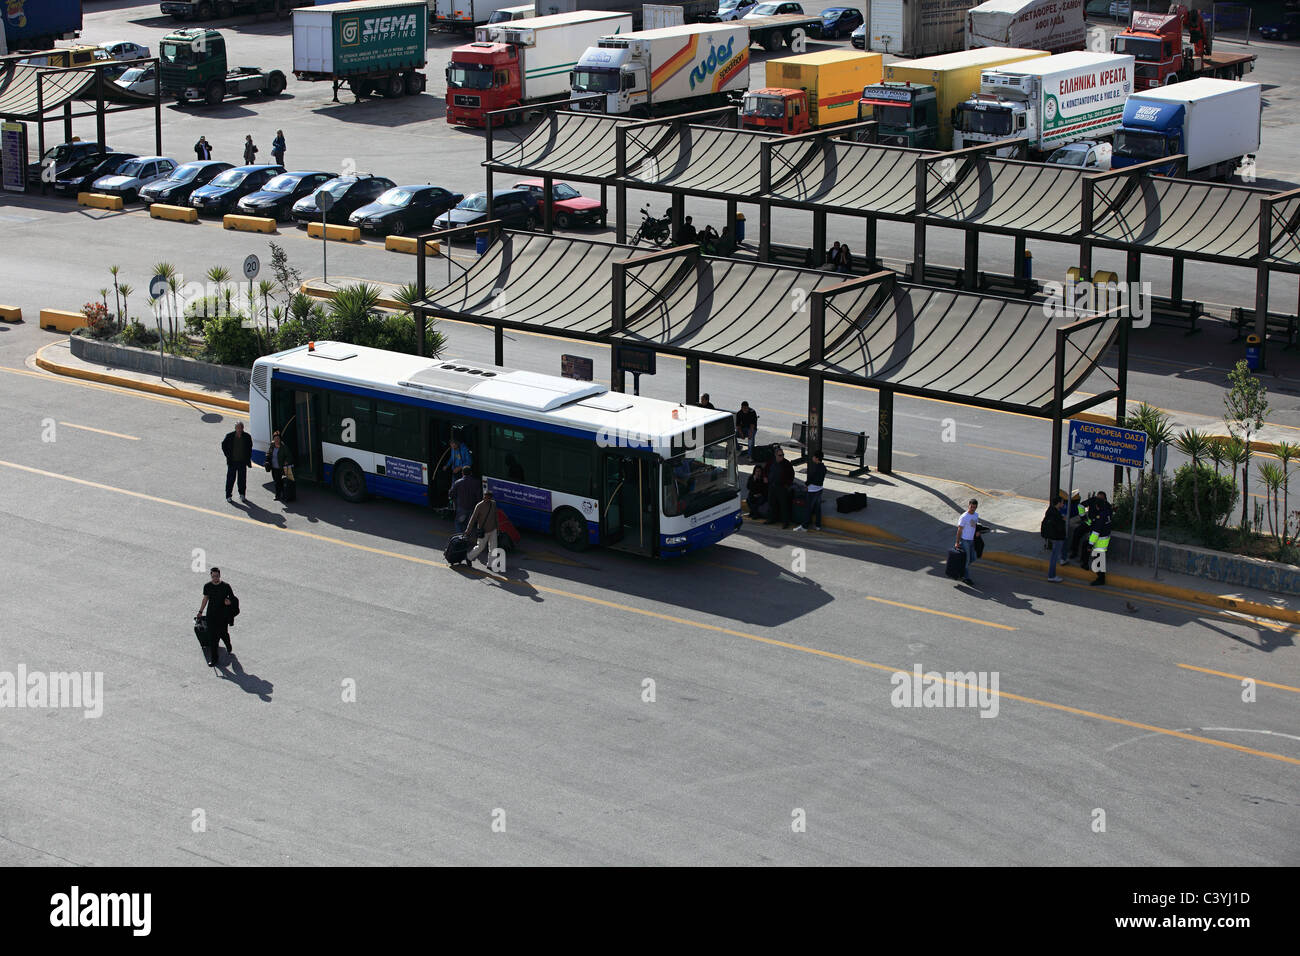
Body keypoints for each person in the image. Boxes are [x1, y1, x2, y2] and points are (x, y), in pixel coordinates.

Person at [196, 567, 234, 667]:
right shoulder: (207, 586)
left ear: (219, 575)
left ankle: (228, 644)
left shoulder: (226, 586)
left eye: (216, 576)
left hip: (222, 616)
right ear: (211, 576)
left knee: (223, 634)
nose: (215, 578)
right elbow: (205, 599)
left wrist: (229, 602)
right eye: (213, 576)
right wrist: (200, 611)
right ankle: (214, 659)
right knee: (213, 638)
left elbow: (233, 599)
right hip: (211, 616)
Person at [466, 487, 500, 567]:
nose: (486, 499)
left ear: (490, 498)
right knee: (480, 547)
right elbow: (473, 518)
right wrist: (468, 530)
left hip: (493, 530)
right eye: (485, 497)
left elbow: (496, 516)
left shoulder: (493, 504)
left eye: (488, 497)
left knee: (493, 548)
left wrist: (498, 528)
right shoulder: (479, 506)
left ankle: (490, 565)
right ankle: (469, 557)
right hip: (483, 531)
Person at [1085, 491, 1113, 586]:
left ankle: (1101, 579)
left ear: (1098, 507)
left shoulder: (1100, 516)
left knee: (1098, 562)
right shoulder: (1107, 512)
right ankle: (1101, 577)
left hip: (1100, 541)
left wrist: (1090, 544)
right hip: (1105, 539)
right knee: (1100, 560)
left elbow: (1096, 532)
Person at [221, 421, 253, 502]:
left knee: (242, 480)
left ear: (243, 428)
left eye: (240, 428)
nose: (239, 429)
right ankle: (228, 495)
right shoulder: (229, 436)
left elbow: (249, 448)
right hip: (232, 462)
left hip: (242, 462)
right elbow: (223, 445)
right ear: (235, 428)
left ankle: (242, 494)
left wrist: (247, 458)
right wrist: (228, 456)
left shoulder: (247, 437)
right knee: (230, 479)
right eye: (237, 428)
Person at [795, 450, 826, 532]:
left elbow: (812, 479)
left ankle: (804, 526)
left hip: (812, 490)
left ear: (816, 458)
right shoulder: (823, 467)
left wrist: (806, 485)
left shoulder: (816, 468)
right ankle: (818, 525)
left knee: (808, 508)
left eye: (813, 456)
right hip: (819, 489)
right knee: (817, 508)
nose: (812, 458)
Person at [1041, 490, 1068, 582]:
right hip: (1057, 537)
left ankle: (1063, 559)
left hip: (1053, 536)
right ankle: (1051, 576)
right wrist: (1063, 520)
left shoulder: (1051, 510)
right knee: (1054, 556)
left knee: (1059, 550)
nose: (1063, 504)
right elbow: (1060, 527)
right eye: (1062, 502)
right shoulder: (1056, 515)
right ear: (1059, 503)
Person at [766, 446, 795, 528]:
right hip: (772, 486)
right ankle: (771, 519)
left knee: (784, 505)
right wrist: (765, 477)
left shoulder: (787, 464)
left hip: (782, 487)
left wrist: (787, 485)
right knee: (772, 504)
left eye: (782, 455)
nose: (782, 456)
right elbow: (766, 470)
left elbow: (791, 475)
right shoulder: (771, 462)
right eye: (780, 455)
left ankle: (785, 522)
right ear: (775, 455)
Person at [955, 498, 981, 587]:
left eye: (974, 507)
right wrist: (957, 542)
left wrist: (978, 531)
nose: (973, 509)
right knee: (967, 560)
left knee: (973, 558)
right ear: (968, 505)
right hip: (964, 540)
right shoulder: (964, 517)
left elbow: (975, 525)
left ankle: (961, 569)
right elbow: (959, 530)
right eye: (971, 507)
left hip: (972, 540)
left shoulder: (976, 515)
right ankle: (966, 577)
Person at [265, 429, 294, 501]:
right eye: (275, 439)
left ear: (280, 439)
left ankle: (282, 494)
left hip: (281, 467)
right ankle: (278, 495)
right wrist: (267, 460)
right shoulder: (272, 446)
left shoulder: (284, 447)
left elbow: (289, 456)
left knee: (280, 481)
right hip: (274, 467)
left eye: (278, 438)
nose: (276, 440)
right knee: (276, 481)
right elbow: (268, 453)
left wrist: (286, 461)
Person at [449, 469, 480, 534]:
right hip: (472, 507)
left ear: (462, 473)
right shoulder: (476, 482)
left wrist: (454, 500)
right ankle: (467, 536)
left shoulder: (458, 482)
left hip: (462, 507)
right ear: (471, 473)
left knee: (458, 523)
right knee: (469, 524)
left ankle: (460, 537)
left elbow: (451, 493)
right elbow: (479, 496)